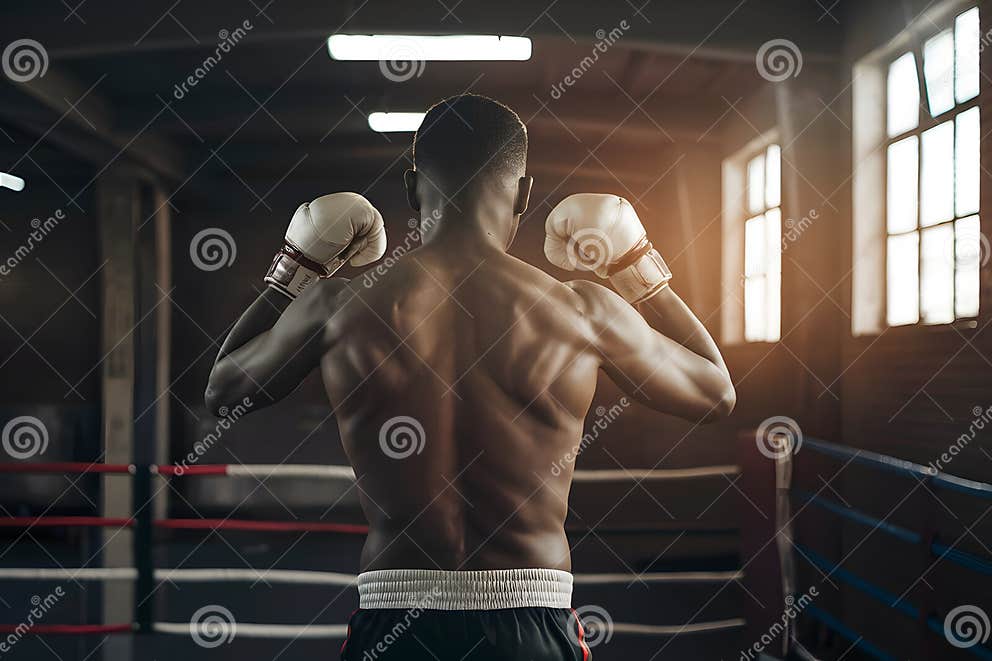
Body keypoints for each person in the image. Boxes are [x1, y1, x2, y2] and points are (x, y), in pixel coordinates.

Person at [205, 94, 735, 660]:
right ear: (525, 194)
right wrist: (637, 269)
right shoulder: (582, 312)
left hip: (396, 626)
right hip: (531, 624)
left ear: (412, 187)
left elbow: (224, 390)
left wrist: (296, 270)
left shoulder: (340, 306)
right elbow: (715, 393)